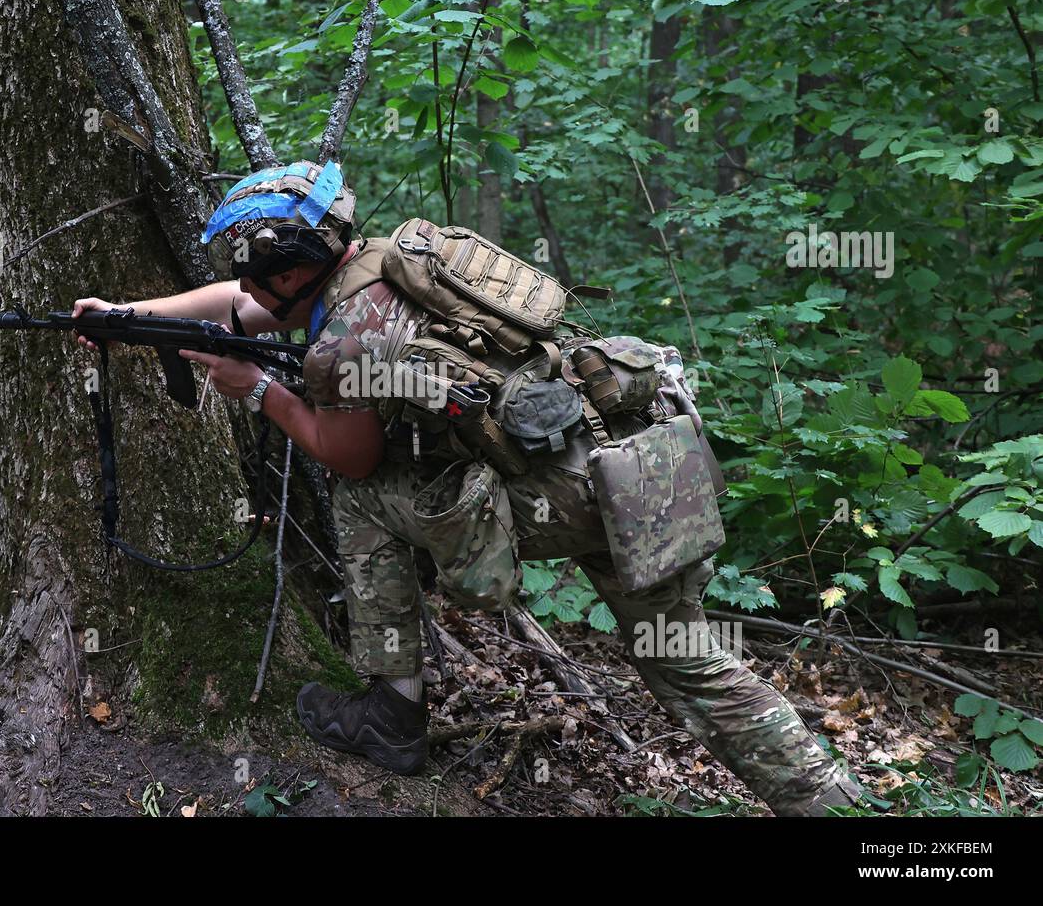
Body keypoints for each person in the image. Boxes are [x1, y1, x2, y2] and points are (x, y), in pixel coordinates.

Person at [73, 160, 862, 815]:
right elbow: (240, 310)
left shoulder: (346, 339)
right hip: (644, 460)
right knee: (689, 660)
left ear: (291, 269)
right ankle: (839, 808)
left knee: (362, 497)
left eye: (256, 270)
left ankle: (392, 713)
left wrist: (257, 391)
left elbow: (347, 455)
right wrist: (127, 315)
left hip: (582, 494)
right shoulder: (391, 263)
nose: (247, 286)